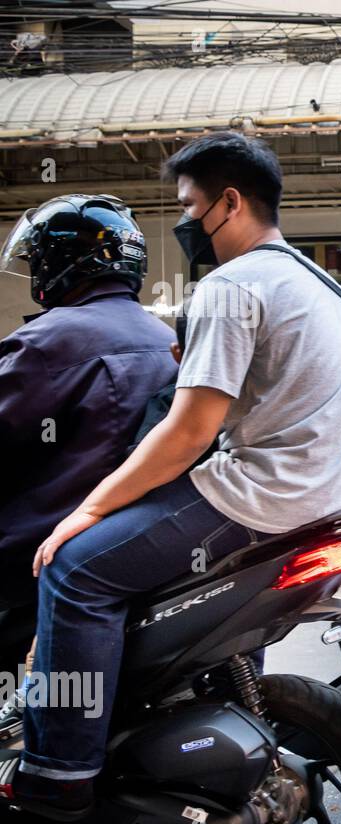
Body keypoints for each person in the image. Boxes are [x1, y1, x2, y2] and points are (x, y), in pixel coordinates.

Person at [8, 131, 341, 821]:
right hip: (331, 495)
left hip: (264, 493)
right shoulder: (314, 281)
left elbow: (186, 434)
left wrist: (86, 512)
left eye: (188, 205)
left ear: (228, 202)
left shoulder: (231, 286)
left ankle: (57, 777)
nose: (182, 222)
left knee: (74, 571)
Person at [0, 195, 176, 737]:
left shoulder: (43, 343)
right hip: (144, 539)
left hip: (38, 547)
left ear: (62, 265)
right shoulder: (165, 337)